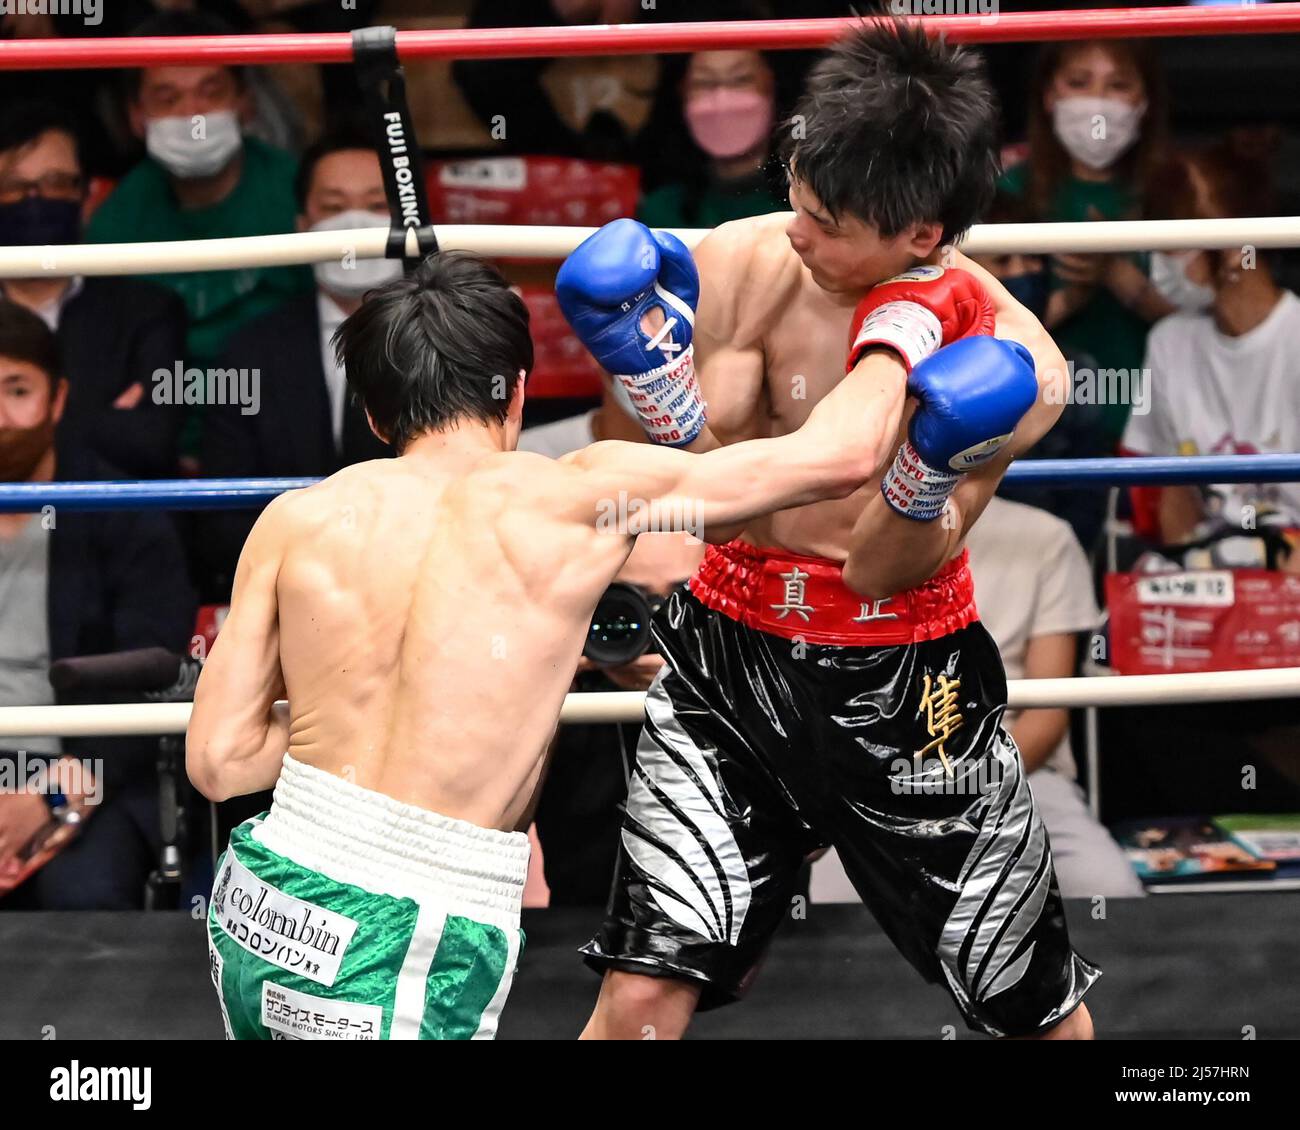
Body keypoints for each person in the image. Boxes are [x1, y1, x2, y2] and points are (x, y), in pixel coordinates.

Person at [186, 248, 926, 1040]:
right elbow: (837, 461)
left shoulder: (294, 520)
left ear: (373, 413)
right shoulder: (580, 499)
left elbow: (219, 762)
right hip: (413, 909)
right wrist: (909, 317)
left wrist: (342, 729)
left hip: (268, 893)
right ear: (517, 392)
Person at [563, 20, 1099, 1040]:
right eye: (794, 196)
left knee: (1031, 1007)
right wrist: (650, 382)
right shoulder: (748, 259)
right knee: (641, 985)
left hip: (903, 673)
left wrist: (919, 467)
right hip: (729, 651)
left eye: (826, 219)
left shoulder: (1013, 368)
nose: (795, 230)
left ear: (921, 235)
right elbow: (692, 481)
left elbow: (877, 558)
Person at [0, 302, 196, 910]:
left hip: (82, 763)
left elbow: (151, 674)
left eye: (17, 390)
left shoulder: (121, 513)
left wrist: (58, 793)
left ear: (57, 400)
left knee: (85, 900)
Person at [197, 130, 398, 602]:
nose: (355, 220)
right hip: (286, 594)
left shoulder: (455, 341)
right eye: (333, 206)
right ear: (303, 224)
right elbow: (223, 515)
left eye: (375, 203)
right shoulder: (248, 351)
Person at [1122, 142, 1300, 551]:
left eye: (1175, 242)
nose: (1159, 260)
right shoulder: (1170, 342)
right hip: (1210, 583)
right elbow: (1167, 497)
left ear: (1238, 249)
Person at [0, 98, 185, 478]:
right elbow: (125, 441)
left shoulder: (148, 312)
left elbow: (153, 443)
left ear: (87, 195)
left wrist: (21, 432)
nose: (35, 199)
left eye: (55, 183)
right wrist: (98, 420)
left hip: (108, 531)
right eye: (13, 186)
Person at [1000, 37, 1172, 447]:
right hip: (1028, 432)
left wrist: (1117, 274)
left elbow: (1216, 325)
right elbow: (977, 331)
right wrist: (1072, 296)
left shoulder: (1175, 192)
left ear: (1145, 101)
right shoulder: (1004, 191)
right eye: (1079, 82)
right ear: (1048, 95)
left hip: (1149, 432)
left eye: (1118, 86)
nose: (1098, 101)